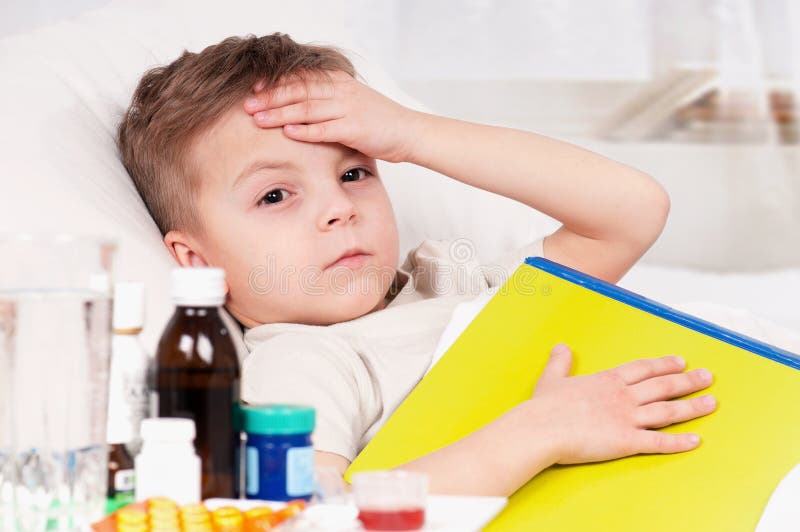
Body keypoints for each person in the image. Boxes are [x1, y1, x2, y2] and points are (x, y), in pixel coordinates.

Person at [117, 32, 718, 497]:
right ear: (197, 263)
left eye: (355, 173)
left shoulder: (449, 280)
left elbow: (630, 213)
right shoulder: (304, 360)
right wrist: (541, 432)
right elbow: (318, 517)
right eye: (275, 195)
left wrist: (410, 133)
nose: (338, 209)